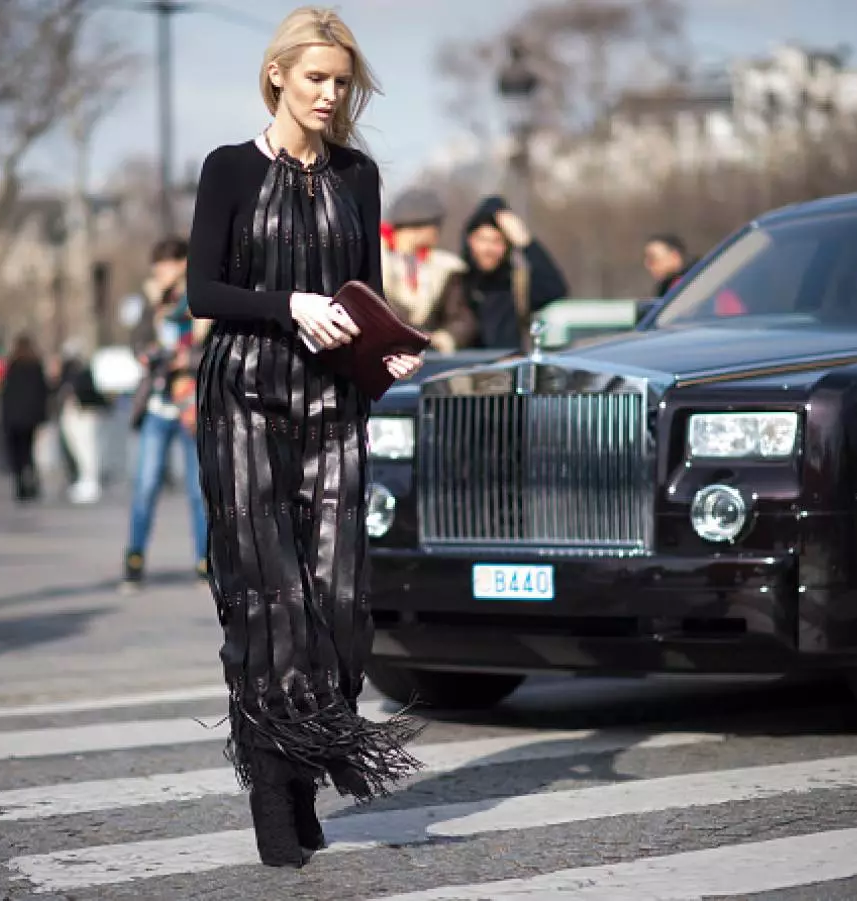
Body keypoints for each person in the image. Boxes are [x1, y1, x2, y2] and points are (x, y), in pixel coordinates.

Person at [185, 6, 425, 869]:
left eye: (341, 81)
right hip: (244, 395)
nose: (330, 93)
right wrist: (285, 304)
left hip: (334, 403)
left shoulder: (359, 176)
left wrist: (385, 351)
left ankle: (303, 762)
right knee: (268, 599)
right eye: (317, 77)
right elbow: (202, 292)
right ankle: (274, 787)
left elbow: (369, 294)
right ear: (279, 74)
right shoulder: (227, 169)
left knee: (339, 601)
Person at [122, 237, 209, 589]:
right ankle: (134, 557)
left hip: (192, 406)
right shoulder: (152, 303)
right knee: (145, 484)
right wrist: (153, 312)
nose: (161, 273)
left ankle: (206, 560)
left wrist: (181, 359)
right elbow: (138, 344)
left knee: (197, 489)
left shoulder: (203, 300)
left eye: (167, 265)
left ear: (183, 264)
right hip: (158, 406)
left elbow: (211, 350)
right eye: (157, 267)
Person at [459, 195, 568, 350]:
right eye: (482, 239)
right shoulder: (456, 279)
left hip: (508, 370)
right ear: (470, 240)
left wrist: (526, 242)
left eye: (497, 241)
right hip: (461, 370)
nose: (488, 249)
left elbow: (555, 288)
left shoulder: (517, 285)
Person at [381, 186, 476, 353]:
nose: (438, 232)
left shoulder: (445, 268)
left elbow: (462, 317)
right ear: (422, 226)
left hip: (430, 360)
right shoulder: (374, 261)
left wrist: (446, 337)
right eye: (435, 225)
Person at [57, 339, 109, 504]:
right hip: (73, 413)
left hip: (84, 413)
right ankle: (84, 479)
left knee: (87, 448)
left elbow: (88, 391)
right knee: (78, 448)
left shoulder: (82, 372)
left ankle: (90, 480)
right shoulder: (69, 372)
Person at [0, 335, 50, 503]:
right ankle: (30, 482)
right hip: (30, 418)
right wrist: (42, 417)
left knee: (17, 452)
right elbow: (42, 393)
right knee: (28, 452)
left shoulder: (12, 366)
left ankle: (20, 484)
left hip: (14, 418)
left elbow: (6, 394)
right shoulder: (35, 366)